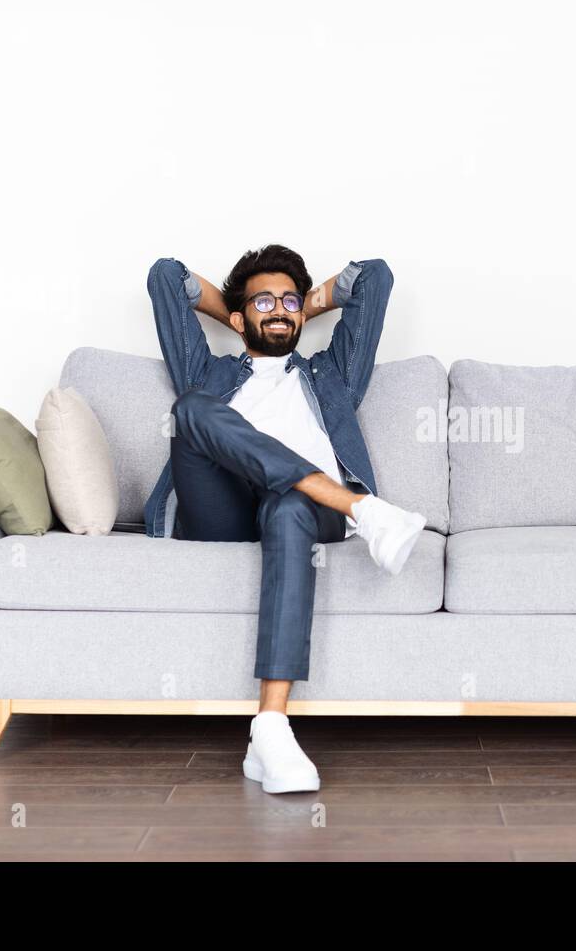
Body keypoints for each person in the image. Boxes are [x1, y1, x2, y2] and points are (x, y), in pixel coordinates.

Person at [143, 246, 425, 793]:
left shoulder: (331, 375)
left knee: (291, 503)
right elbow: (165, 278)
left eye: (290, 301)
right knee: (192, 408)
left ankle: (270, 728)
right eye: (264, 302)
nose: (279, 310)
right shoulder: (210, 370)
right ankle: (364, 511)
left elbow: (373, 277)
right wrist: (245, 304)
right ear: (236, 316)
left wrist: (293, 307)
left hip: (300, 516)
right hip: (221, 509)